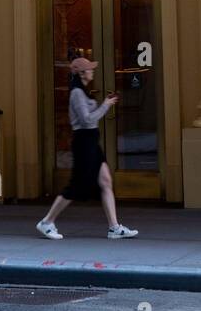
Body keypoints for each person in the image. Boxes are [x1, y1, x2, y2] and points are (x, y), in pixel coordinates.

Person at [36, 56, 138, 241]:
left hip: (91, 140)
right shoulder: (76, 93)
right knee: (76, 185)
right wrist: (105, 106)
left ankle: (114, 227)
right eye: (89, 69)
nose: (92, 71)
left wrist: (104, 105)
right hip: (84, 141)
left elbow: (89, 117)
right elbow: (86, 120)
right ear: (81, 73)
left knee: (106, 180)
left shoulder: (83, 91)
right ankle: (47, 222)